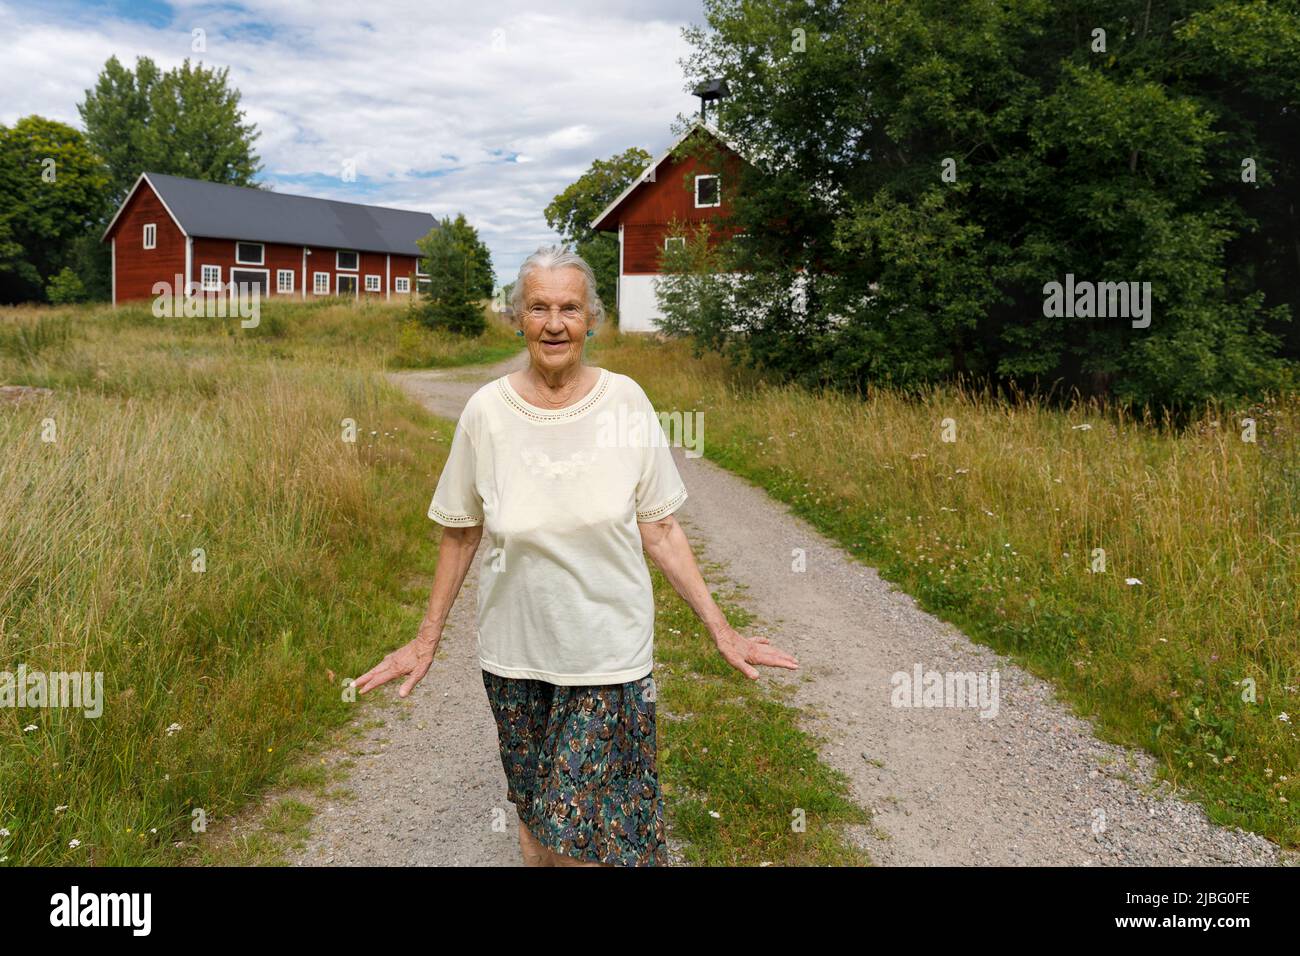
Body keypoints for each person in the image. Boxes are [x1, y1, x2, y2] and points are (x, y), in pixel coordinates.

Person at [353, 245, 798, 866]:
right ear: (519, 318)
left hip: (608, 654)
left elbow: (662, 529)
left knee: (584, 831)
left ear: (592, 319)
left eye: (569, 308)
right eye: (538, 308)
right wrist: (424, 641)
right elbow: (460, 532)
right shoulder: (486, 412)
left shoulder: (626, 403)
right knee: (536, 815)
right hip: (514, 656)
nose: (554, 323)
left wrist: (722, 631)